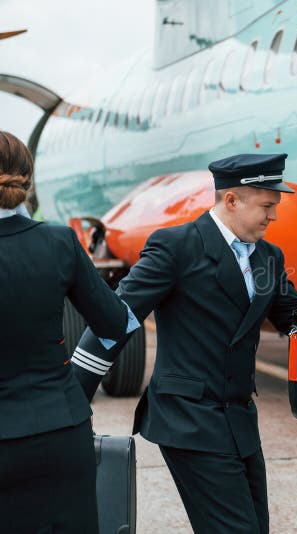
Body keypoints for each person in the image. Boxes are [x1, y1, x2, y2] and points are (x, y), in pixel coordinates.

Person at [72, 153, 297, 533]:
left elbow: (294, 320)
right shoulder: (177, 246)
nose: (273, 216)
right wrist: (73, 399)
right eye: (267, 206)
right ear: (232, 200)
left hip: (238, 419)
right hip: (188, 418)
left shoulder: (268, 257)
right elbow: (117, 320)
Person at [0, 131, 137, 533]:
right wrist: (69, 381)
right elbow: (116, 325)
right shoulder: (59, 241)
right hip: (60, 431)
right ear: (28, 179)